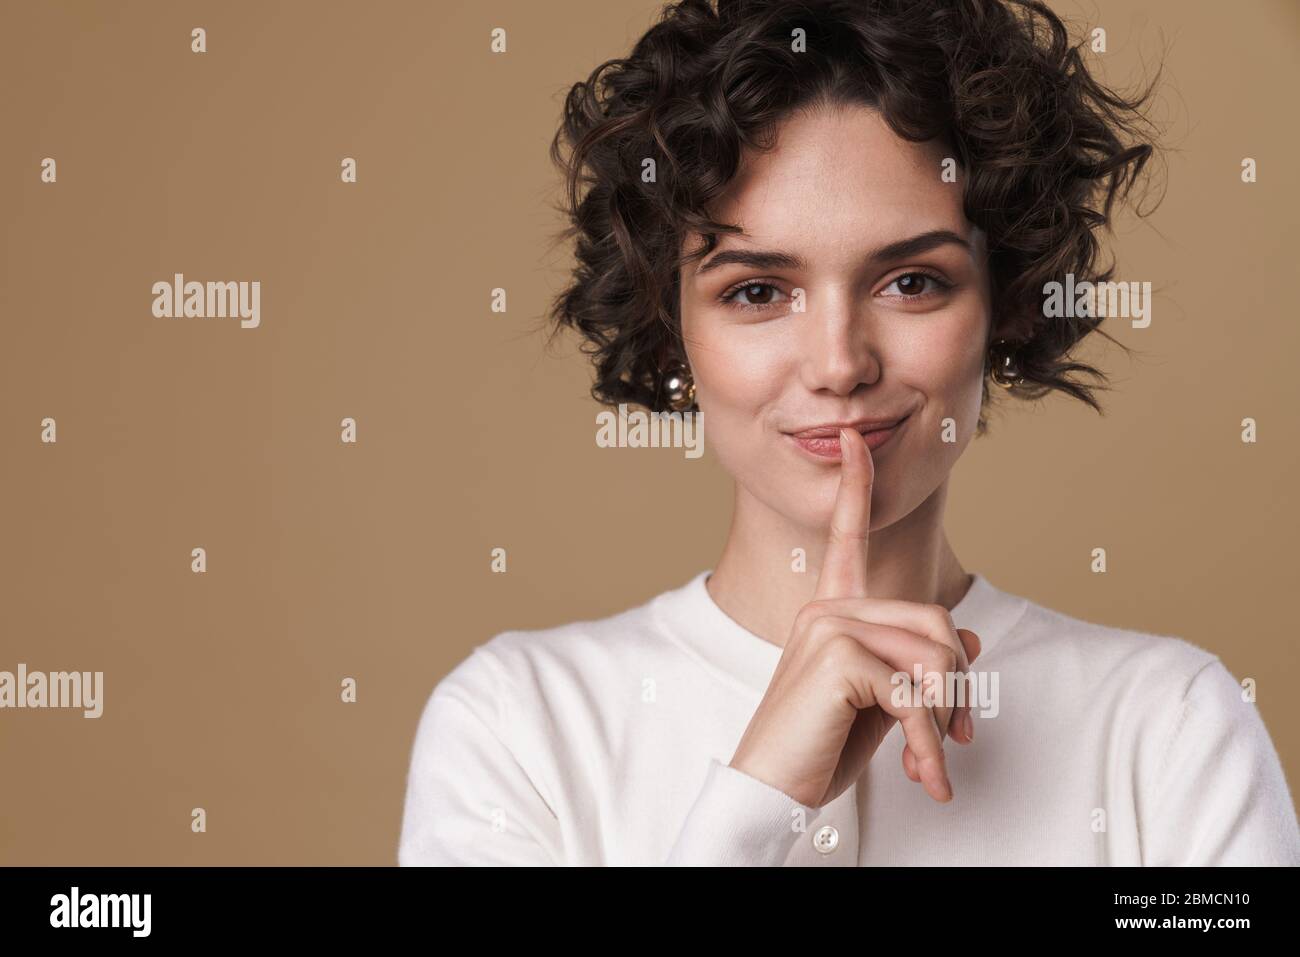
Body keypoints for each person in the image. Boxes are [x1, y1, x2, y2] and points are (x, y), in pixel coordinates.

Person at [398, 0, 1300, 865]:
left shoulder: (1171, 728)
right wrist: (757, 799)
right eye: (756, 291)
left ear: (1009, 302)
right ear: (672, 326)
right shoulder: (515, 728)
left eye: (911, 281)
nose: (838, 363)